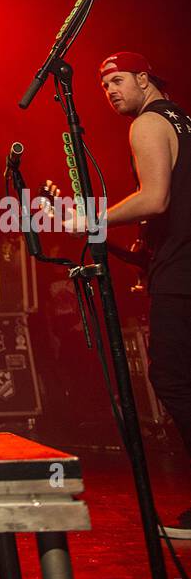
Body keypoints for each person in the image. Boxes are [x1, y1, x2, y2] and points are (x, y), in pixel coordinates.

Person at [94, 51, 191, 539]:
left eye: (117, 80)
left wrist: (91, 218)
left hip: (182, 278)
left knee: (172, 379)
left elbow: (155, 197)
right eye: (104, 85)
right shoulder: (184, 120)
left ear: (145, 78)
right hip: (176, 265)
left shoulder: (148, 123)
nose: (110, 90)